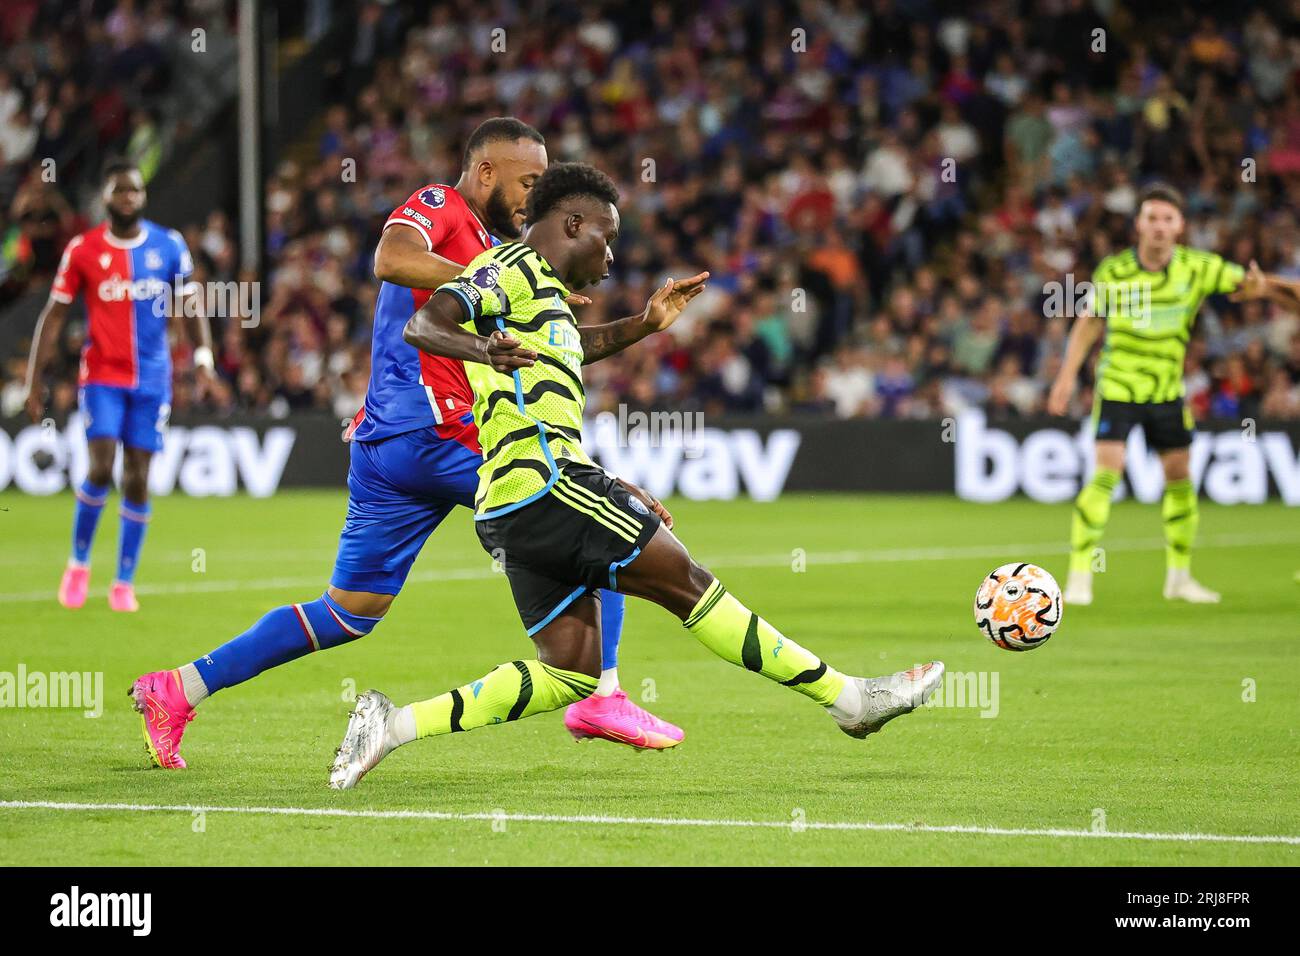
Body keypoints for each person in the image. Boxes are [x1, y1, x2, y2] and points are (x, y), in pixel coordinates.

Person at [329, 162, 943, 790]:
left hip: (514, 499)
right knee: (691, 585)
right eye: (608, 236)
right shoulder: (507, 269)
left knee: (570, 670)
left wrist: (644, 326)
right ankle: (851, 701)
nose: (613, 254)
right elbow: (425, 324)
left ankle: (392, 725)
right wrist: (484, 349)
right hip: (545, 485)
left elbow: (571, 347)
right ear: (572, 224)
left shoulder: (539, 293)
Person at [129, 119, 680, 771]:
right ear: (485, 173)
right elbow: (389, 258)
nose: (536, 197)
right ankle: (603, 694)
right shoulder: (444, 208)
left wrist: (641, 325)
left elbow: (559, 348)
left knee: (349, 612)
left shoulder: (502, 261)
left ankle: (179, 687)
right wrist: (488, 280)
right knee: (590, 518)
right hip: (433, 427)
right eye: (528, 181)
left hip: (391, 447)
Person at [1047, 183, 1285, 605]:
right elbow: (1089, 323)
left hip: (1168, 391)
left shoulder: (1198, 267)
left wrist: (1260, 285)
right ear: (1138, 224)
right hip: (1119, 385)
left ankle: (1179, 577)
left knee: (1180, 479)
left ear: (1180, 226)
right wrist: (1066, 377)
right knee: (1107, 473)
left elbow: (1252, 284)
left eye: (1167, 219)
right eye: (1151, 217)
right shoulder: (1115, 271)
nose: (1158, 226)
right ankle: (1079, 578)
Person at [24, 159, 213, 613]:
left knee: (138, 477)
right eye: (119, 190)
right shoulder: (83, 250)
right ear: (104, 196)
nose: (128, 198)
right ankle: (79, 563)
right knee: (100, 464)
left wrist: (203, 358)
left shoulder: (169, 246)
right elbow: (53, 317)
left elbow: (191, 306)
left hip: (153, 379)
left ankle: (123, 581)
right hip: (102, 376)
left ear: (143, 197)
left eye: (135, 191)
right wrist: (34, 381)